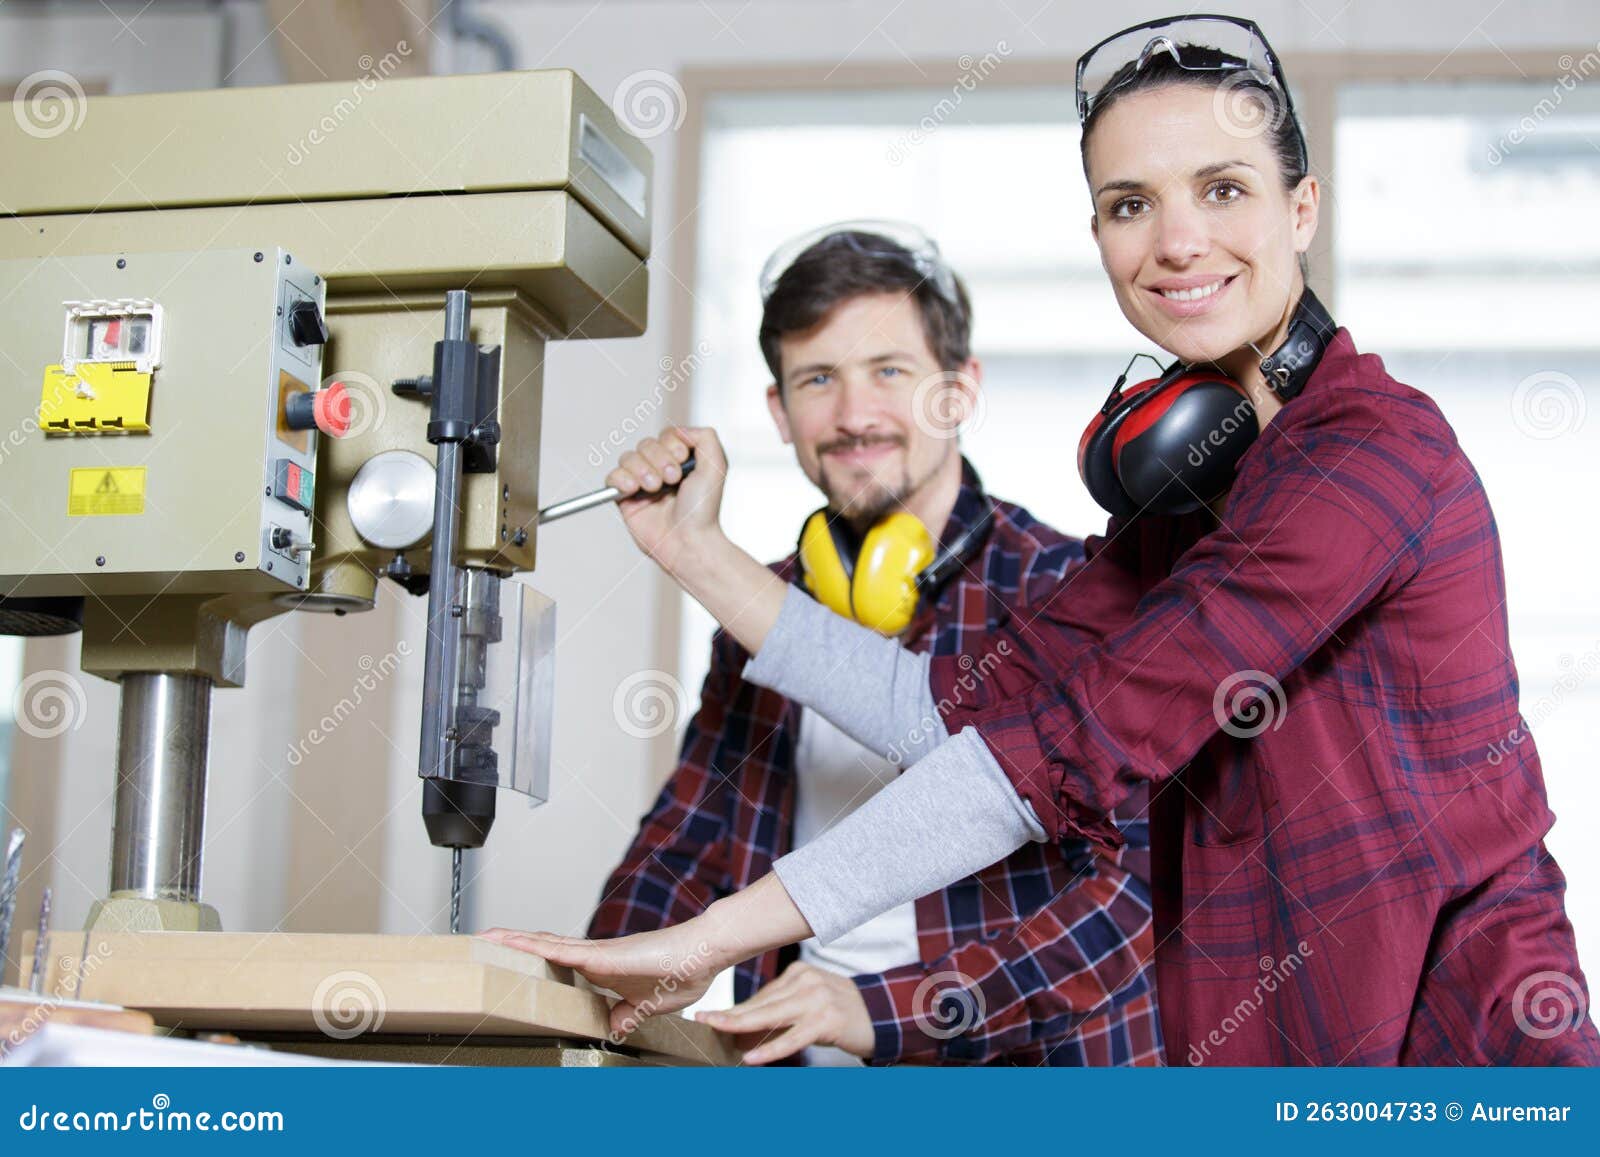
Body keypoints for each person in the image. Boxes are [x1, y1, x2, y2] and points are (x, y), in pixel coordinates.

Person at [486, 16, 1599, 1065]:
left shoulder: (1368, 451)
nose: (1174, 242)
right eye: (1128, 204)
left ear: (1300, 208)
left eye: (1222, 189)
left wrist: (720, 935)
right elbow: (948, 713)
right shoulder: (1176, 515)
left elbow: (1063, 746)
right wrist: (692, 552)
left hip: (1455, 1048)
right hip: (1263, 1052)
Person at [574, 223, 1159, 1066]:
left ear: (959, 392)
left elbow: (1128, 905)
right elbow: (683, 846)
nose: (854, 416)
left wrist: (889, 1008)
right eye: (818, 379)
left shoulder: (1070, 592)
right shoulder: (760, 619)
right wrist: (587, 991)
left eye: (889, 370)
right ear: (778, 410)